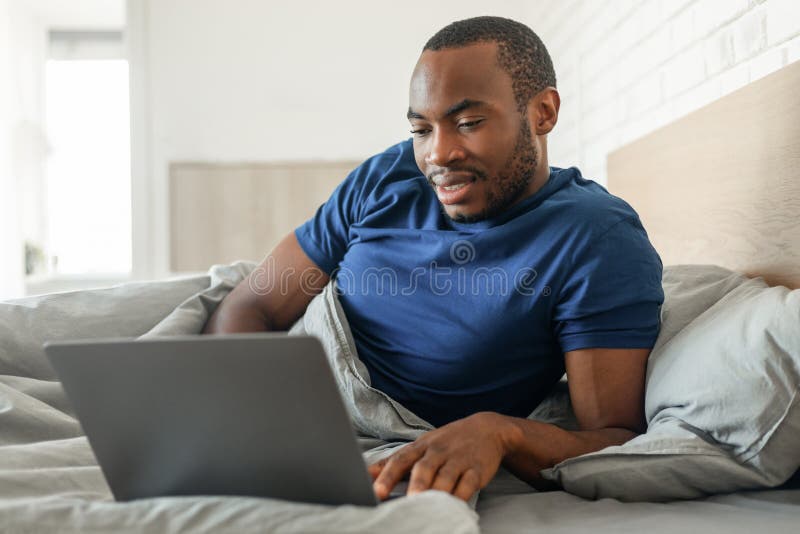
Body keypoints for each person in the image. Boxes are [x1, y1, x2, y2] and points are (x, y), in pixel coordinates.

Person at [203, 16, 664, 503]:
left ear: (543, 113)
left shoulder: (595, 238)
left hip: (377, 433)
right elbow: (252, 303)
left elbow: (613, 442)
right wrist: (244, 414)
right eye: (422, 129)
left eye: (468, 123)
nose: (438, 154)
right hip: (277, 385)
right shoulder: (387, 175)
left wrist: (499, 432)